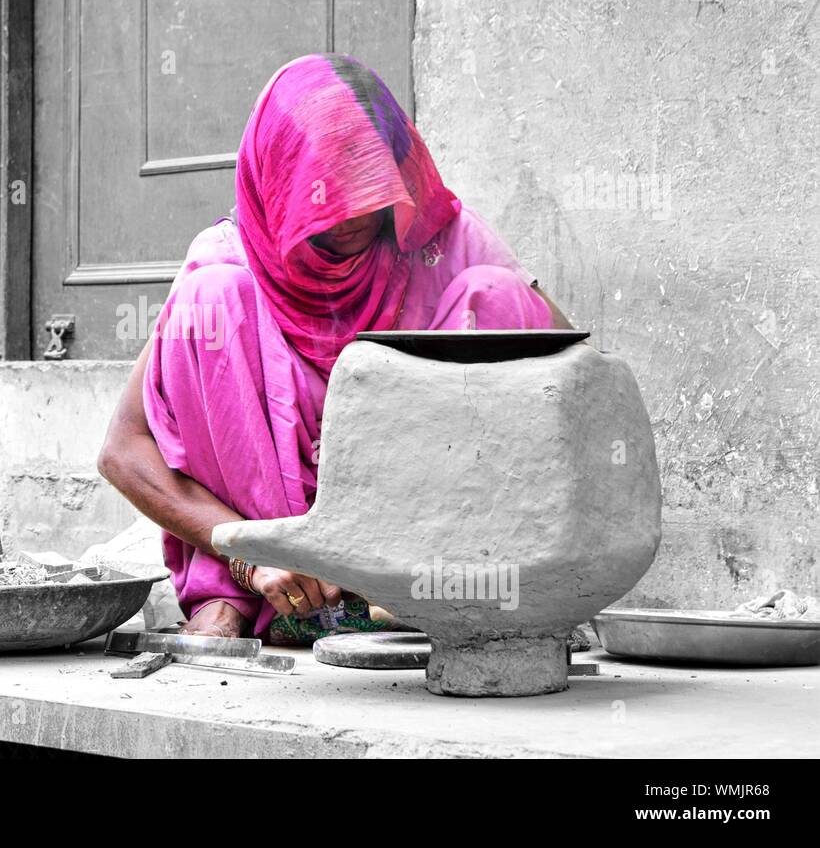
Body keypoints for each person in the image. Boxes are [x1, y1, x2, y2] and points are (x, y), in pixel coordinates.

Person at [98, 54, 571, 640]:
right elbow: (123, 453)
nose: (349, 218)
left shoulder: (437, 240)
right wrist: (253, 555)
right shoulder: (228, 260)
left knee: (498, 300)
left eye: (366, 190)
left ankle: (421, 587)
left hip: (418, 554)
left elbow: (576, 373)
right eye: (324, 197)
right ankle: (235, 602)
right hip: (279, 579)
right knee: (209, 303)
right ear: (275, 183)